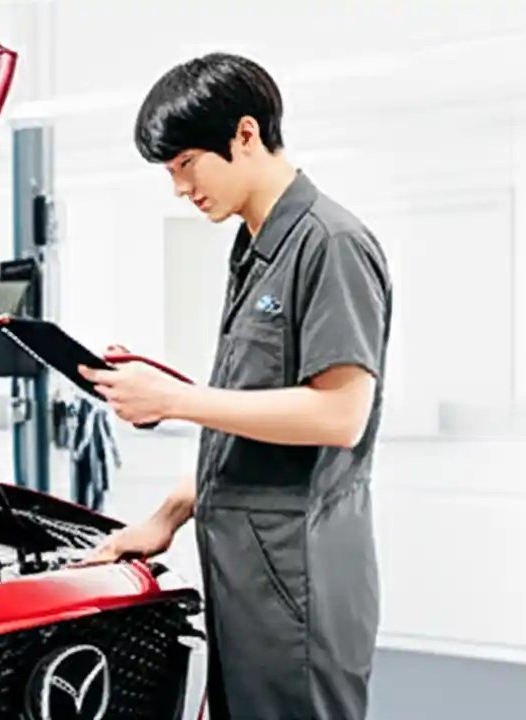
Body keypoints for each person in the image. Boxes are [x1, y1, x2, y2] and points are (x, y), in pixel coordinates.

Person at [73, 53, 392, 720]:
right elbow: (252, 409)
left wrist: (177, 402)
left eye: (185, 164)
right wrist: (169, 512)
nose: (179, 187)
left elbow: (340, 414)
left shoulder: (329, 243)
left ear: (245, 134)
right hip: (247, 570)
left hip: (296, 576)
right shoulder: (254, 248)